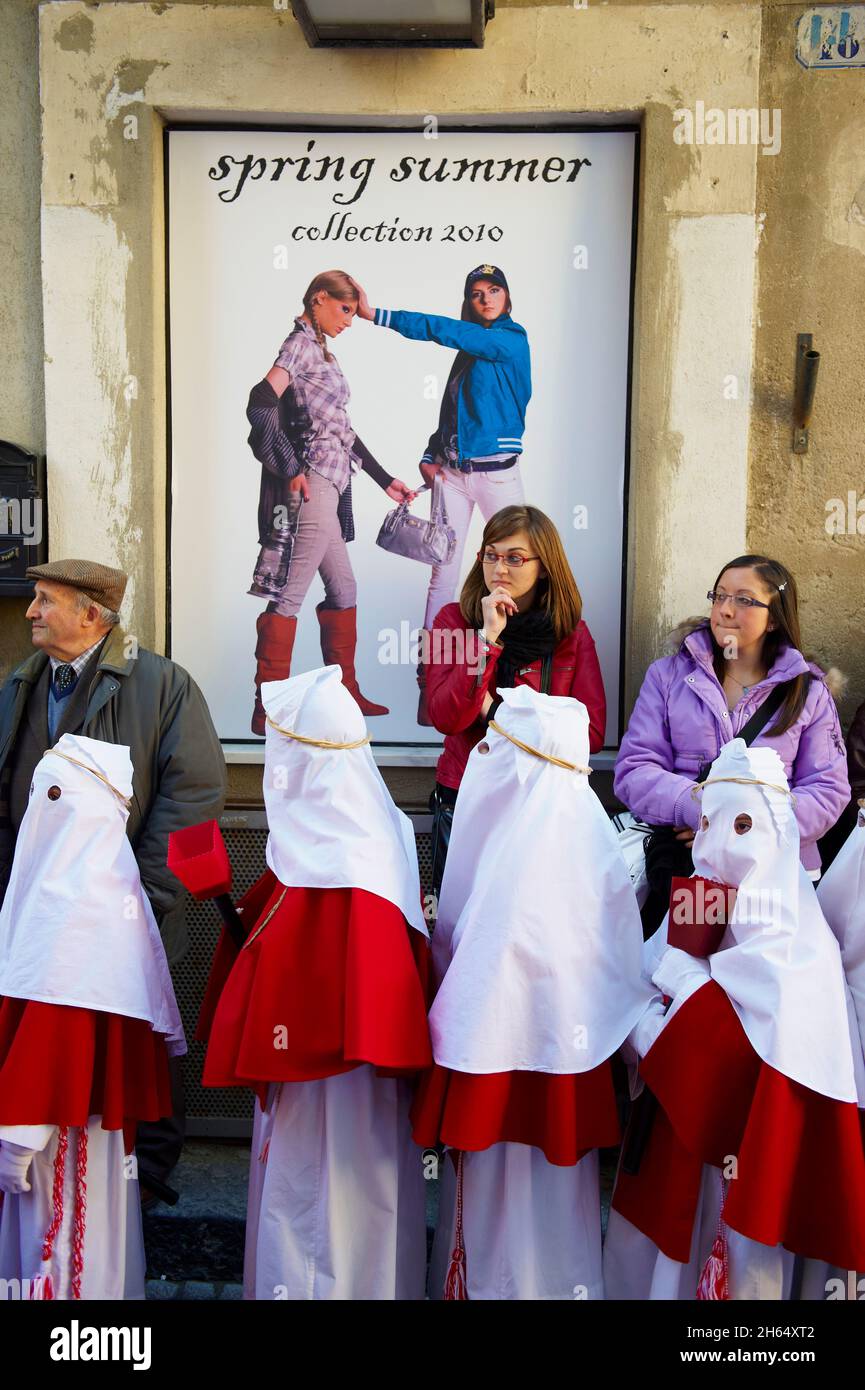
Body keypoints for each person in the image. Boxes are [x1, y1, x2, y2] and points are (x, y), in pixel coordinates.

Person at [411, 686, 654, 1300]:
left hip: (497, 1074)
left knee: (493, 1202)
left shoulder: (518, 866)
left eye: (497, 749)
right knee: (554, 1206)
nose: (484, 760)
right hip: (564, 1075)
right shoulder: (586, 849)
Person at [199, 666, 432, 1300]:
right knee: (343, 1204)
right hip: (330, 1076)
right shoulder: (343, 833)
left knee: (316, 1203)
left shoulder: (343, 852)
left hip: (333, 1076)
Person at [604, 739, 865, 1300]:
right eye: (708, 824)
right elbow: (633, 987)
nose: (718, 847)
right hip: (676, 1149)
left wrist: (685, 984)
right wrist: (644, 1024)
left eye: (741, 824)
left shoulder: (801, 943)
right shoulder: (696, 905)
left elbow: (762, 1061)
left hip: (749, 1162)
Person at [0, 558, 226, 1196]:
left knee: (140, 1038)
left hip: (129, 914)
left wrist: (143, 903)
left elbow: (193, 799)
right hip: (40, 913)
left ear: (90, 614)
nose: (30, 612)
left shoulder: (163, 686)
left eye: (45, 600)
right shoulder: (21, 682)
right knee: (52, 1037)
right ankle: (57, 1173)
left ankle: (143, 1181)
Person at [0, 736, 185, 1299]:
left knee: (59, 1249)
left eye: (52, 795)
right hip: (81, 1132)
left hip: (61, 1134)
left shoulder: (78, 903)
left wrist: (16, 1138)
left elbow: (61, 1035)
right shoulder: (100, 890)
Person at [614, 554, 849, 934]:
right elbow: (633, 769)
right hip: (690, 866)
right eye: (718, 596)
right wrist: (704, 812)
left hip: (774, 873)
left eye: (743, 599)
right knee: (686, 972)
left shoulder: (808, 693)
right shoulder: (668, 677)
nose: (724, 610)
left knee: (758, 978)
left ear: (773, 618)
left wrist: (744, 826)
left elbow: (828, 789)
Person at [352, 267, 531, 724]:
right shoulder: (470, 351)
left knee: (521, 568)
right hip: (452, 475)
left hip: (497, 477)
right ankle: (431, 679)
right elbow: (453, 407)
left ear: (507, 297)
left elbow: (441, 329)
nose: (486, 299)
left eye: (494, 291)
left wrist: (377, 314)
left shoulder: (509, 340)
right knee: (441, 574)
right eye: (476, 294)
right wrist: (431, 454)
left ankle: (524, 669)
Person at [247, 270, 418, 733]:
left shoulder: (322, 349)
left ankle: (346, 691)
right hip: (316, 482)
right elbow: (260, 402)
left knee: (344, 589)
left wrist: (384, 480)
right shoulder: (300, 344)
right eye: (345, 309)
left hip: (332, 479)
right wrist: (290, 467)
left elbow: (342, 430)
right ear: (319, 299)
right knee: (290, 594)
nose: (350, 320)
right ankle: (268, 705)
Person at [422, 504, 606, 897]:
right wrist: (488, 640)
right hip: (467, 797)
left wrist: (495, 711)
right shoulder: (452, 622)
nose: (499, 569)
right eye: (490, 555)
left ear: (544, 566)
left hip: (542, 805)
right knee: (460, 928)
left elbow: (588, 737)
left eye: (514, 558)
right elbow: (446, 717)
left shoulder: (571, 635)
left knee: (525, 927)